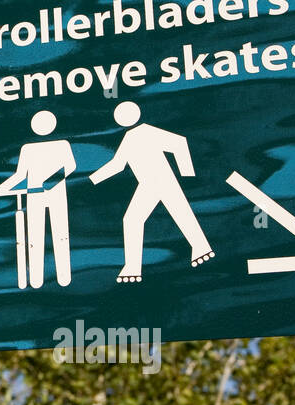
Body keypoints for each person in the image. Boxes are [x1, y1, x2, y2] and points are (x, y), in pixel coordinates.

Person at [89, 101, 214, 283]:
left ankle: (134, 266)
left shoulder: (145, 132)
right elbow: (118, 165)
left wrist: (187, 174)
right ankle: (200, 247)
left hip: (160, 179)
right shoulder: (130, 137)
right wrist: (93, 179)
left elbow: (179, 143)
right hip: (151, 182)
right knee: (174, 213)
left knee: (141, 218)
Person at [0, 110, 76, 289]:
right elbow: (20, 174)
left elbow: (71, 166)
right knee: (34, 235)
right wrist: (3, 187)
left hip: (57, 194)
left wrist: (50, 182)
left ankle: (64, 277)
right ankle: (36, 279)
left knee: (61, 234)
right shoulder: (28, 149)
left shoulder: (62, 145)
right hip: (33, 195)